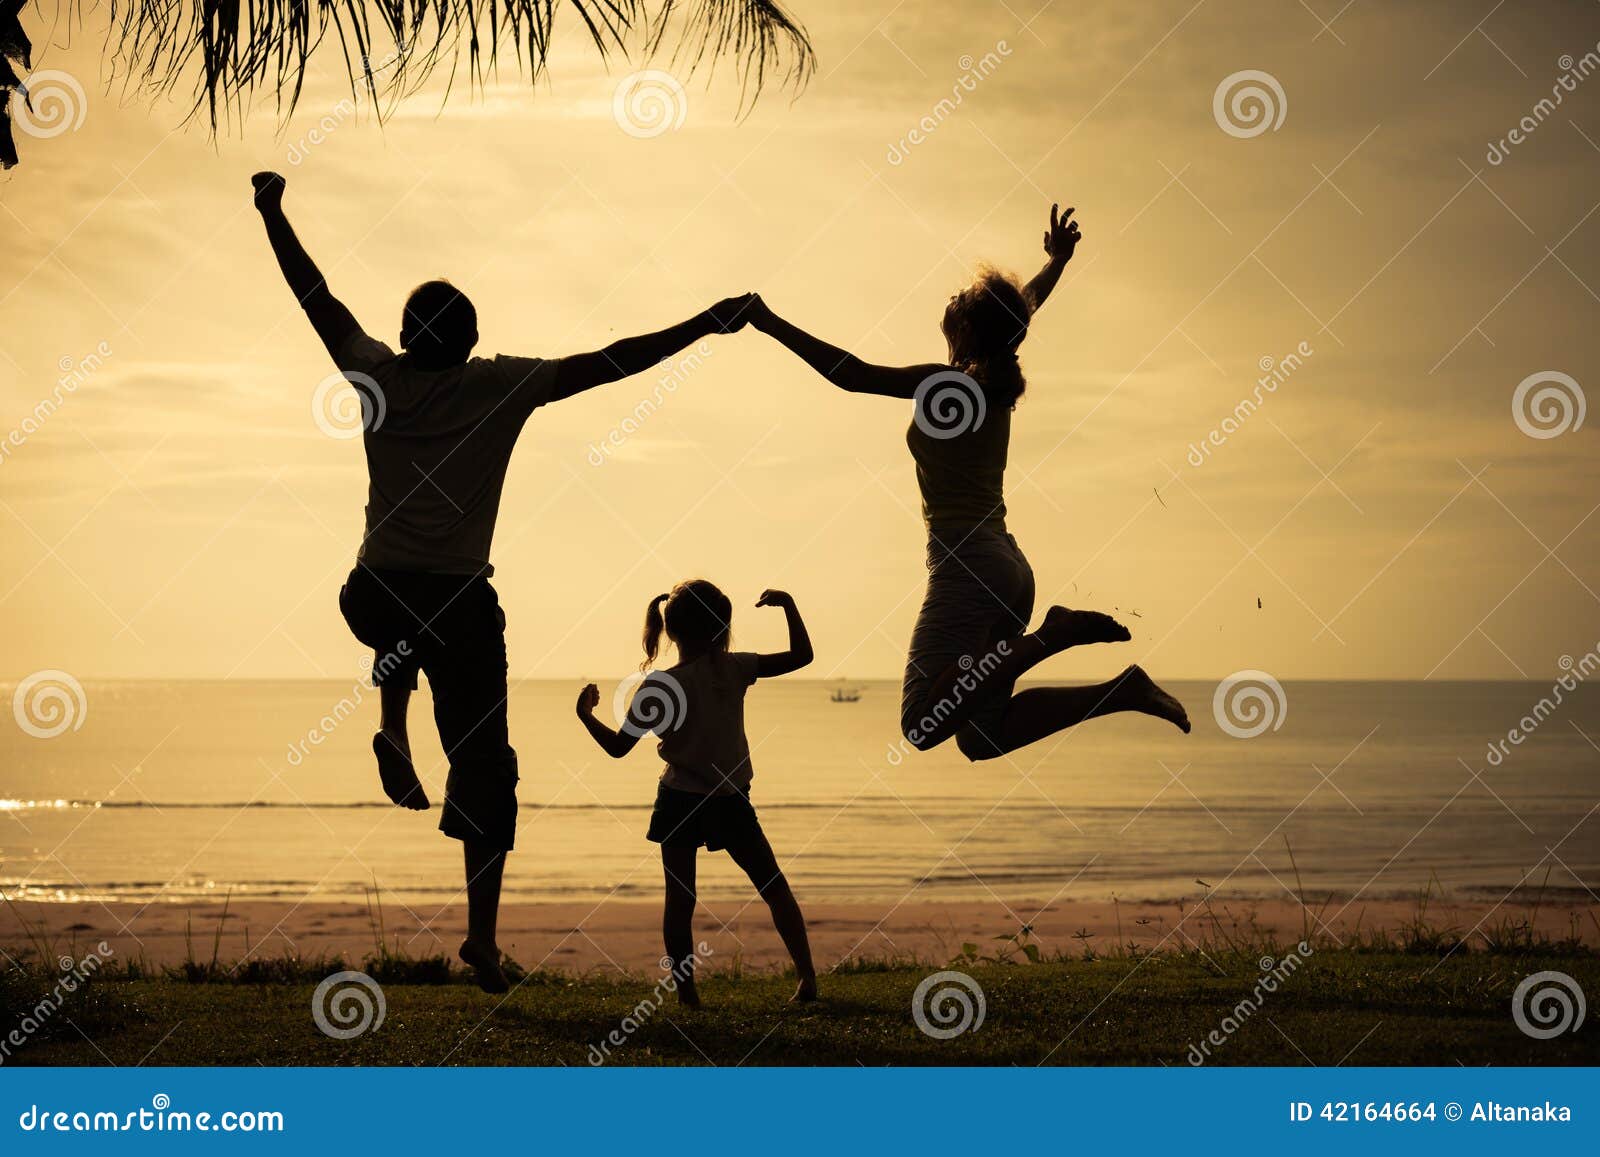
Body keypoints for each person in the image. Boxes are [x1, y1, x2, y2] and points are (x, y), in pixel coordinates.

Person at [250, 171, 754, 992]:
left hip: (373, 589)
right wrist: (704, 324)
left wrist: (273, 212)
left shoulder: (377, 375)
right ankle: (480, 936)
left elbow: (320, 300)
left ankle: (393, 719)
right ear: (470, 338)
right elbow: (611, 363)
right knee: (486, 765)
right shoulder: (497, 383)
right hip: (459, 604)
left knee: (395, 623)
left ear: (408, 336)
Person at [746, 203, 1190, 761]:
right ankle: (1119, 692)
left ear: (970, 328)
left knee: (920, 724)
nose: (949, 300)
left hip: (968, 570)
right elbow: (1023, 309)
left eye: (959, 300)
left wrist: (769, 323)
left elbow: (852, 376)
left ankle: (1053, 635)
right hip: (1006, 571)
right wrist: (1056, 263)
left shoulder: (949, 384)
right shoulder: (993, 381)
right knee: (982, 736)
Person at [575, 582, 818, 1006]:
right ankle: (807, 979)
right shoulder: (735, 668)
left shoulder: (659, 687)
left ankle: (687, 993)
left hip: (680, 800)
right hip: (730, 797)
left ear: (670, 632)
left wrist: (585, 717)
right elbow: (802, 657)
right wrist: (789, 606)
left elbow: (617, 748)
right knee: (773, 886)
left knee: (681, 899)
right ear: (724, 626)